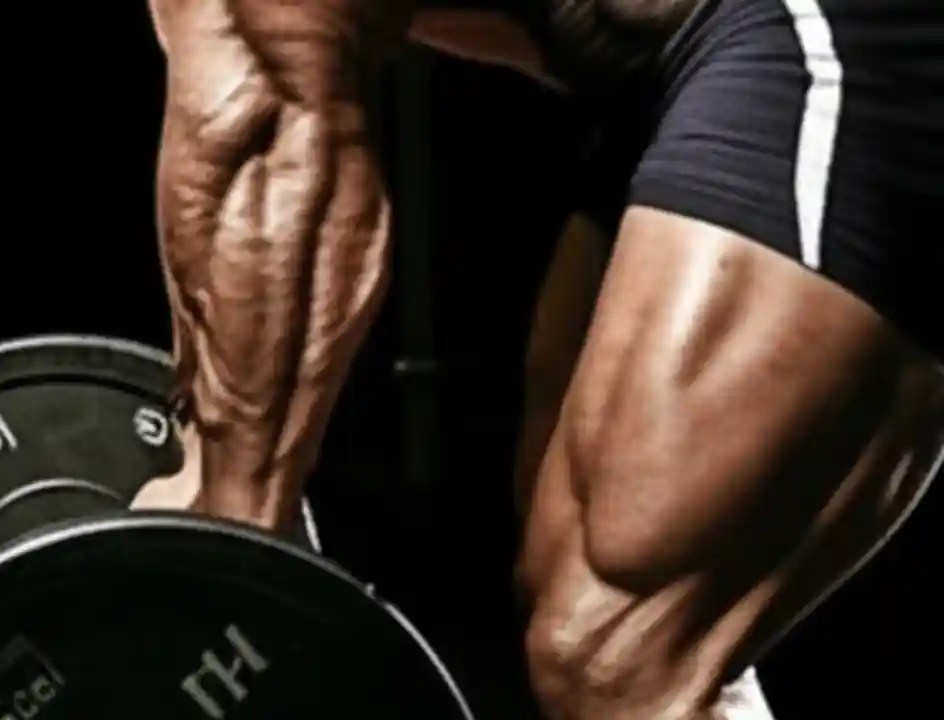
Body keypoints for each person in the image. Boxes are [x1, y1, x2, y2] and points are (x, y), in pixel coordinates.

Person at [134, 1, 944, 718]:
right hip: (671, 73)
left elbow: (267, 124)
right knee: (605, 630)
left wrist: (222, 546)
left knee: (615, 652)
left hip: (835, 30)